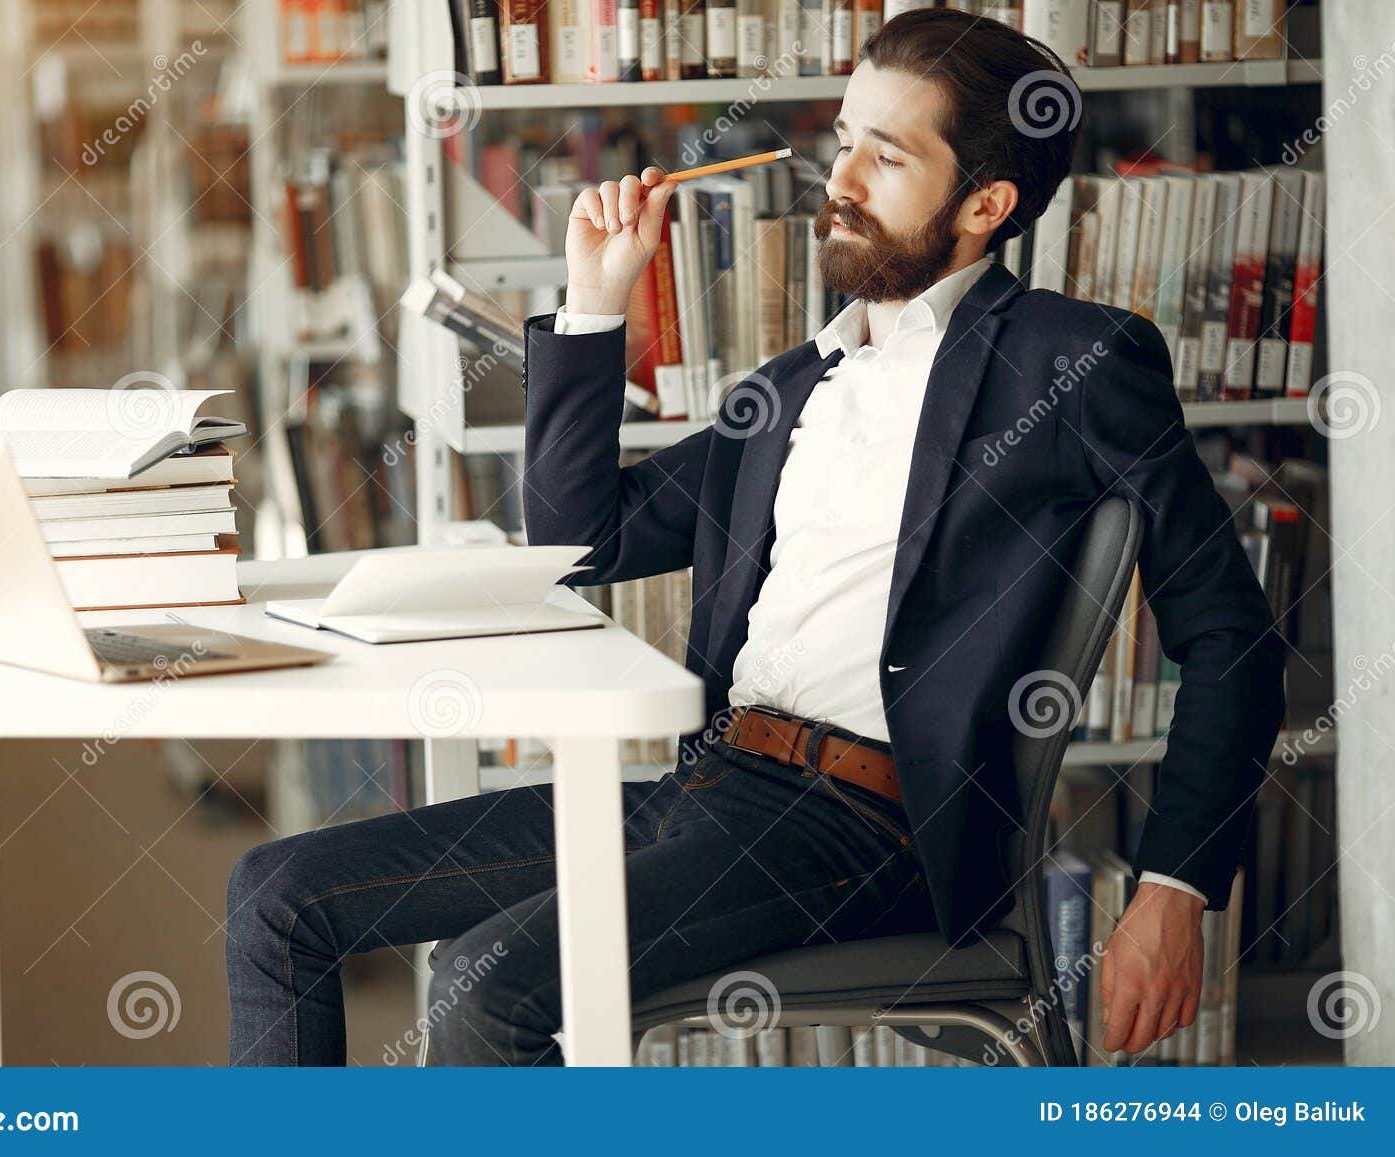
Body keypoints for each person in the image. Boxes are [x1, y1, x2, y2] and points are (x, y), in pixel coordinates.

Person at [226, 8, 1285, 1067]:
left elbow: (1229, 632)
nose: (842, 180)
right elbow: (580, 537)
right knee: (276, 895)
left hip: (866, 826)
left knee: (483, 983)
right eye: (842, 143)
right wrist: (594, 297)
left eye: (887, 155)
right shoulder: (785, 390)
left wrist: (1173, 888)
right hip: (708, 788)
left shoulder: (1070, 361)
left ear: (983, 205)